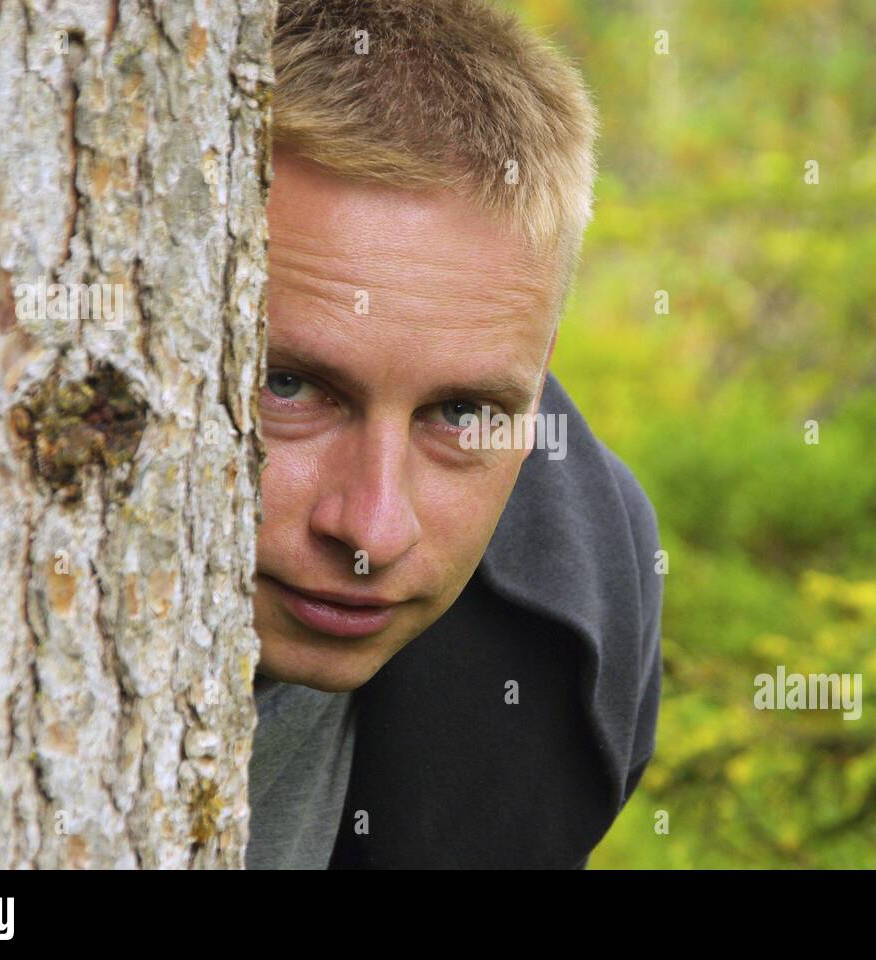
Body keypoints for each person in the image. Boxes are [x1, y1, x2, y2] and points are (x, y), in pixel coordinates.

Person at [245, 0, 663, 869]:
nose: (372, 530)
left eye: (462, 413)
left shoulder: (583, 606)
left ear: (541, 369)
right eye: (290, 387)